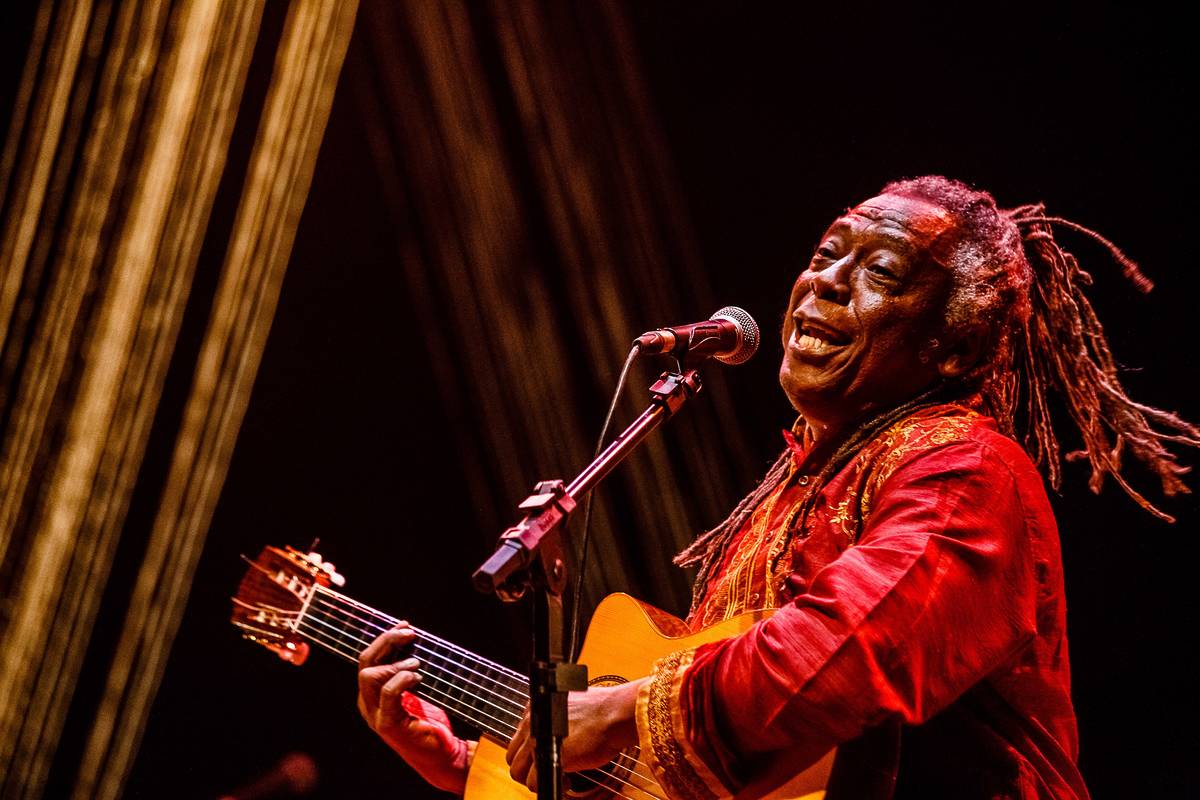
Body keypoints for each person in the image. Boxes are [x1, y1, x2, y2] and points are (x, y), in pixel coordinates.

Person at [356, 176, 1199, 798]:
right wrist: (476, 761)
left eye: (881, 272)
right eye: (826, 255)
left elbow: (850, 647)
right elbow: (698, 759)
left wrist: (621, 713)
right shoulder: (791, 492)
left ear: (954, 345)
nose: (825, 281)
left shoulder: (966, 470)